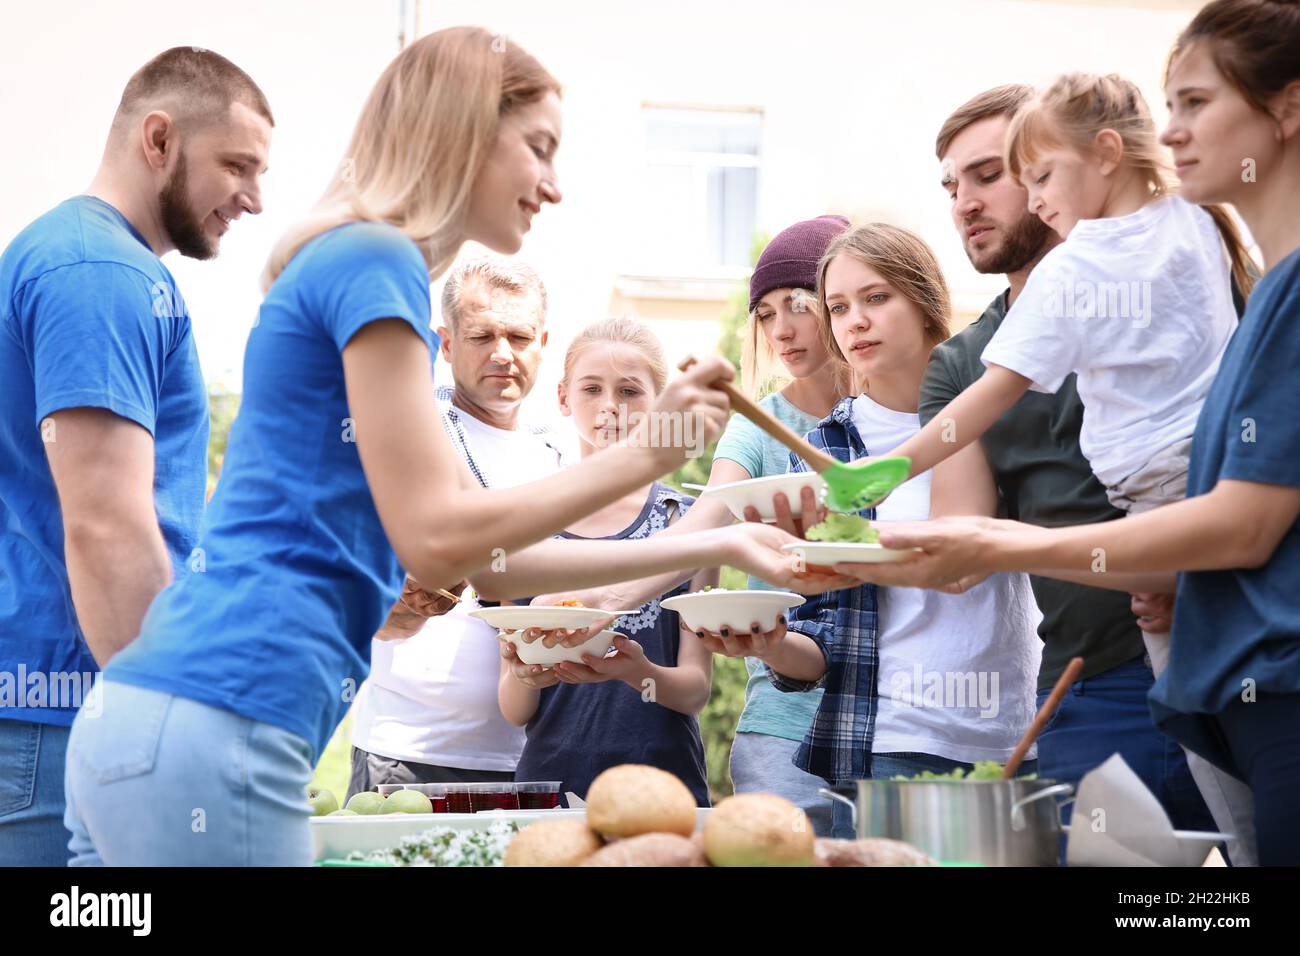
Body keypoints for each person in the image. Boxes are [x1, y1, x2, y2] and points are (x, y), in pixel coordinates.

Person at [61, 26, 851, 866]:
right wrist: (651, 454)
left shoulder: (355, 258)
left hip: (150, 720)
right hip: (220, 722)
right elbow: (438, 535)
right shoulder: (377, 259)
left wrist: (719, 535)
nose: (552, 184)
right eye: (539, 147)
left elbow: (491, 564)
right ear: (466, 131)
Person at [862, 0, 1300, 866]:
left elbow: (1244, 526)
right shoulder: (1209, 240)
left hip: (1244, 640)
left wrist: (968, 529)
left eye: (1195, 103)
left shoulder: (1192, 263)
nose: (1171, 132)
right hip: (1150, 634)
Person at [924, 84, 1222, 846]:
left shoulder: (1193, 240)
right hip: (1088, 686)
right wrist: (844, 543)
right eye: (951, 186)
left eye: (994, 174)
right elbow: (957, 553)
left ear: (1095, 154)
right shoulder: (961, 364)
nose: (968, 201)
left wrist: (1189, 571)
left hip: (1233, 635)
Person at [0, 47, 272, 866]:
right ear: (159, 139)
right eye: (237, 165)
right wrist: (175, 721)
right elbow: (107, 527)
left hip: (62, 716)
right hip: (68, 723)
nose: (255, 199)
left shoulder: (100, 263)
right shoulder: (99, 273)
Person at [702, 223, 1042, 839]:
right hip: (889, 739)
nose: (853, 321)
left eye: (876, 298)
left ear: (925, 301)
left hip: (1013, 732)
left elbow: (967, 565)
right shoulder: (822, 450)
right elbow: (819, 643)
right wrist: (768, 641)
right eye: (837, 307)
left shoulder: (995, 409)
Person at [347, 257, 565, 797]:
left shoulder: (562, 461)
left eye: (518, 336)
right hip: (405, 756)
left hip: (530, 758)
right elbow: (362, 607)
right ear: (444, 343)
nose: (502, 353)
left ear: (543, 342)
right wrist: (402, 602)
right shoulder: (407, 441)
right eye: (481, 335)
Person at [500, 319, 713, 805]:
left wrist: (635, 673)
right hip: (551, 789)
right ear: (562, 397)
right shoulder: (523, 524)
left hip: (665, 787)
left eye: (630, 391)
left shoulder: (685, 521)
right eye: (592, 389)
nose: (610, 407)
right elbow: (514, 709)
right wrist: (525, 672)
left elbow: (695, 690)